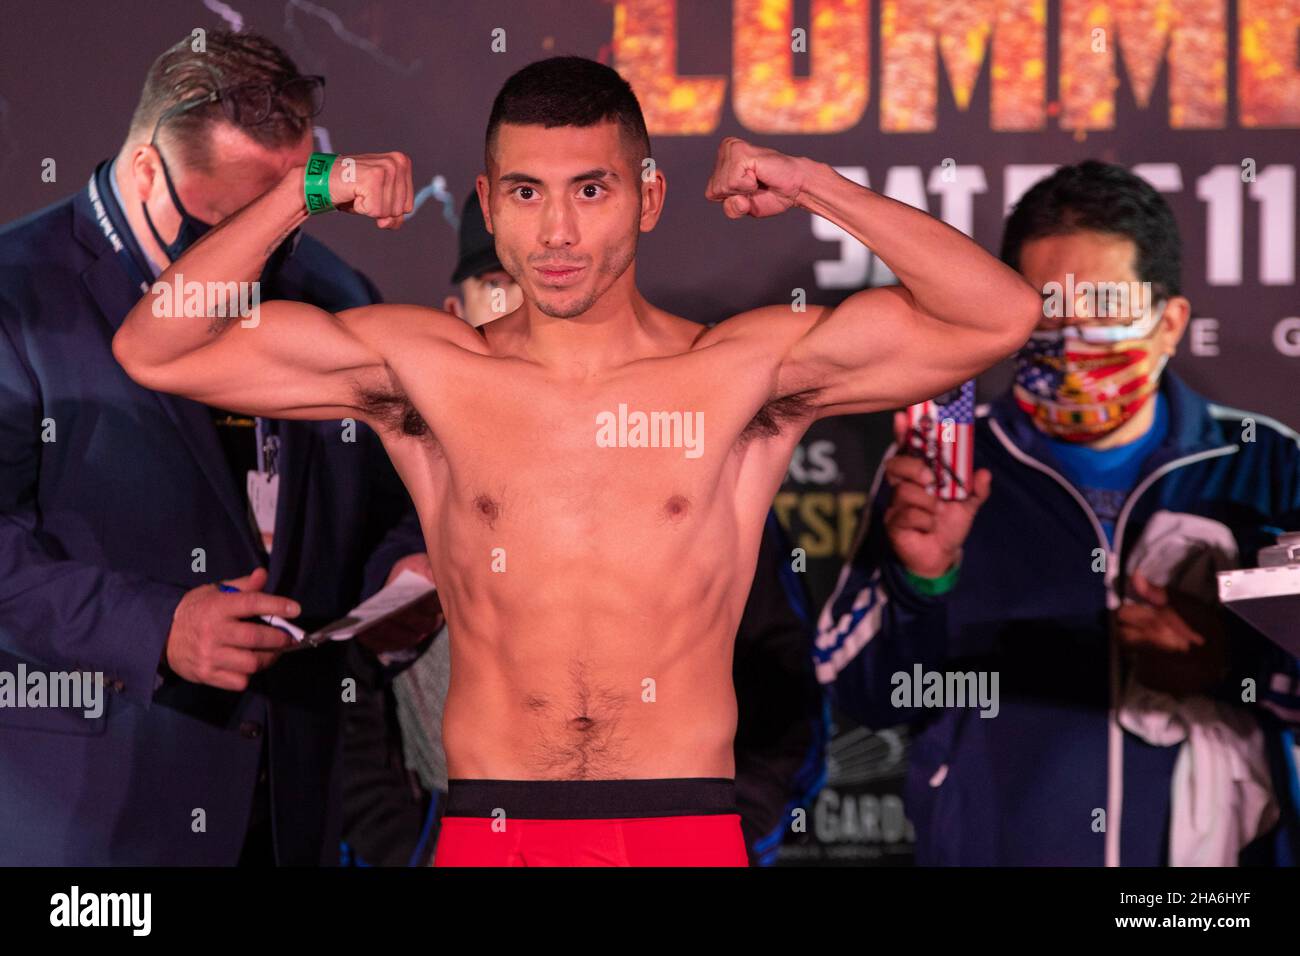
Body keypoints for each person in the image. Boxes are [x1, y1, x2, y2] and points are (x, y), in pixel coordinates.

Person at [112, 55, 1040, 866]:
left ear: (649, 196)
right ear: (487, 202)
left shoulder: (742, 373)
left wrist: (810, 183)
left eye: (591, 190)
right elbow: (160, 348)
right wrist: (305, 190)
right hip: (490, 822)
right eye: (526, 192)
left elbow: (997, 315)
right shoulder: (426, 371)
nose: (556, 233)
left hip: (682, 824)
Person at [0, 29, 426, 865]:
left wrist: (401, 583)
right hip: (87, 815)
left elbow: (387, 505)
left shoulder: (336, 293)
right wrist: (156, 626)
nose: (256, 255)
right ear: (147, 168)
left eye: (287, 218)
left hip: (291, 804)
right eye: (228, 223)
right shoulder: (15, 295)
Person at [817, 160, 1300, 865]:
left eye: (1101, 308)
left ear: (1169, 324)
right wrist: (922, 582)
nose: (1072, 346)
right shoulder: (947, 461)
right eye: (1047, 311)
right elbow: (861, 694)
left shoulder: (1266, 463)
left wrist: (1231, 663)